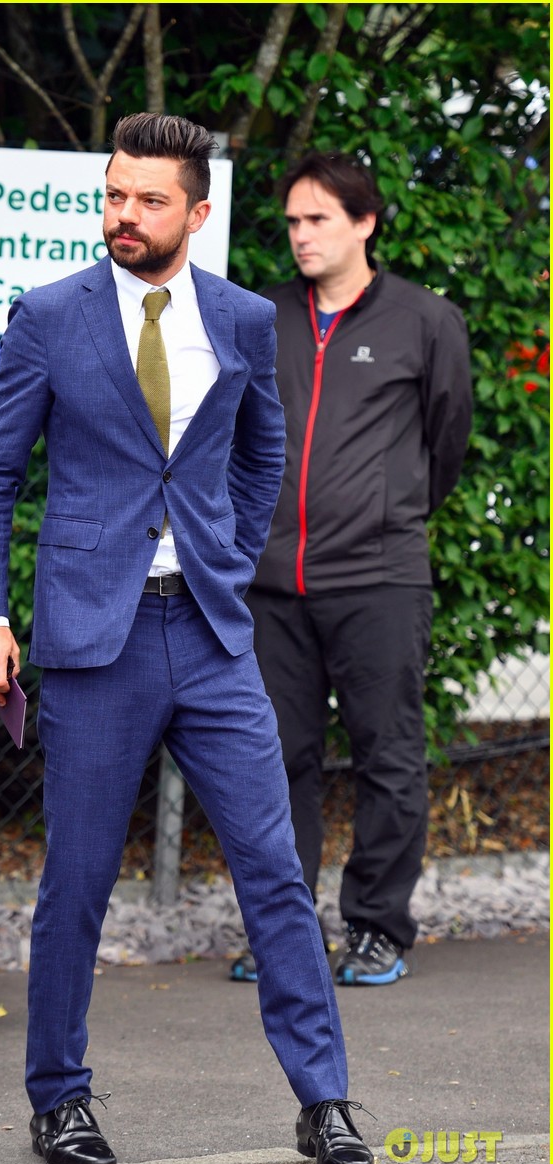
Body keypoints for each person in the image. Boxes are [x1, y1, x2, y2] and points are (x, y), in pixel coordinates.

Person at [0, 113, 374, 1164]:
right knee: (79, 882)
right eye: (113, 195)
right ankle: (58, 1097)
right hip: (97, 640)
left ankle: (323, 1098)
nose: (124, 217)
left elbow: (262, 450)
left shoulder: (239, 317)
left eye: (147, 200)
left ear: (196, 211)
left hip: (213, 631)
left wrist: (223, 555)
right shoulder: (49, 316)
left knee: (275, 870)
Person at [230, 151, 473, 988]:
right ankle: (285, 933)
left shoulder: (424, 320)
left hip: (379, 578)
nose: (299, 235)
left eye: (317, 220)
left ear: (364, 222)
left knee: (386, 754)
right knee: (274, 758)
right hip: (270, 583)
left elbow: (445, 444)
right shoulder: (262, 315)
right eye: (292, 221)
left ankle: (377, 928)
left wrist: (385, 514)